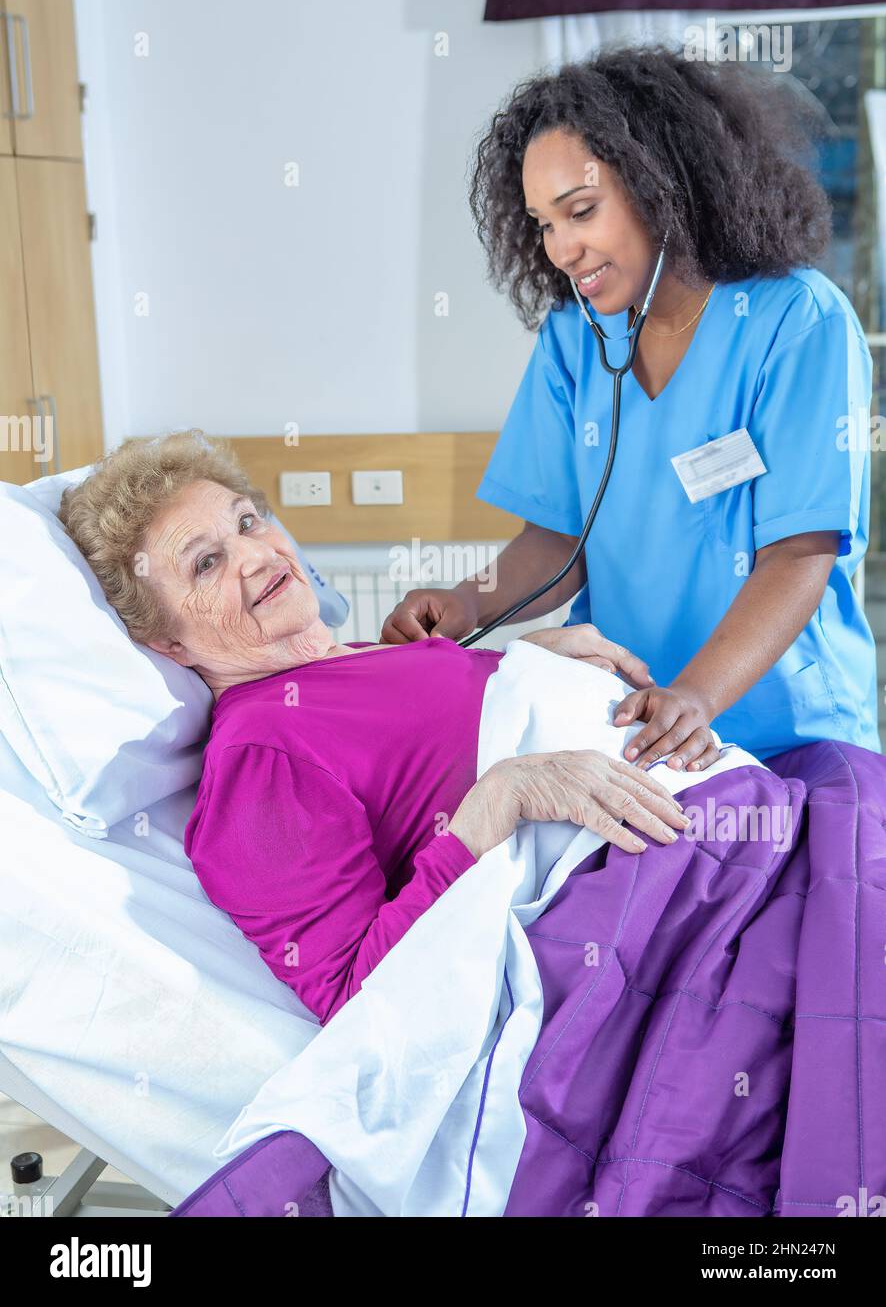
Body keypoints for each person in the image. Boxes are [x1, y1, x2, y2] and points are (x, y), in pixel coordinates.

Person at [59, 430, 689, 1024]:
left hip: (683, 827)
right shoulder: (262, 753)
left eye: (248, 522)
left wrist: (524, 661)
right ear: (168, 641)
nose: (255, 555)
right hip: (660, 907)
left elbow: (444, 739)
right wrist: (500, 798)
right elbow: (356, 998)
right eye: (206, 564)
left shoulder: (359, 654)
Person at [382, 46, 881, 767]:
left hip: (786, 730)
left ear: (661, 184)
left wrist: (698, 696)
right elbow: (557, 544)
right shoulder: (573, 340)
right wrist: (468, 604)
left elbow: (797, 554)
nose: (560, 248)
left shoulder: (798, 321)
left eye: (581, 211)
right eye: (543, 224)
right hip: (629, 722)